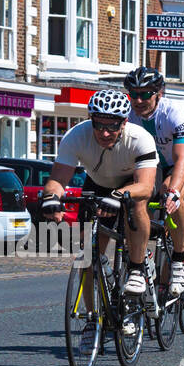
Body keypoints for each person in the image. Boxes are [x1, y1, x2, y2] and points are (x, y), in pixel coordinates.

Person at [42, 89, 158, 349]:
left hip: (131, 185)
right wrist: (51, 197)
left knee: (137, 203)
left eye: (112, 126)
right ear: (91, 120)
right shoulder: (76, 136)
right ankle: (93, 319)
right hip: (98, 184)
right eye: (99, 125)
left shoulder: (140, 138)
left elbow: (147, 186)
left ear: (124, 122)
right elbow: (58, 180)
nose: (104, 133)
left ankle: (137, 268)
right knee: (86, 253)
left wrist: (118, 195)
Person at [123, 66, 184, 295]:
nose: (139, 100)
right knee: (135, 202)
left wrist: (174, 190)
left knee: (171, 193)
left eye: (145, 94)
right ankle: (141, 258)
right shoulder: (128, 115)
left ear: (158, 94)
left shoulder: (175, 113)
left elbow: (182, 159)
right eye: (134, 94)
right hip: (146, 166)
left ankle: (180, 260)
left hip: (174, 167)